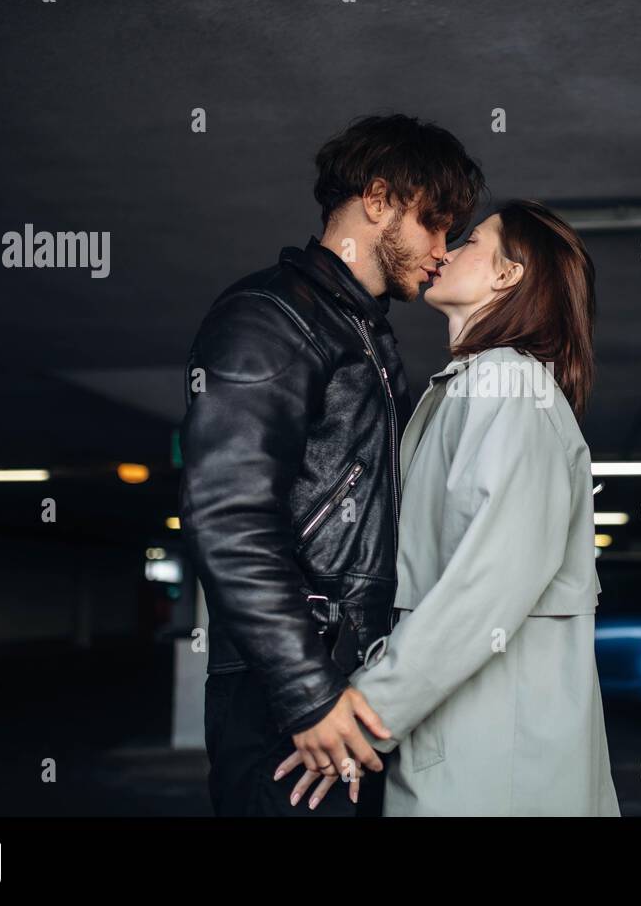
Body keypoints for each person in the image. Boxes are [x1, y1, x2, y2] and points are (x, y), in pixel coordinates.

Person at [179, 114, 485, 816]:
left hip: (350, 681)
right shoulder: (271, 317)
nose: (443, 250)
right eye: (434, 223)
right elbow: (227, 516)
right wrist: (307, 690)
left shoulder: (365, 336)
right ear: (378, 200)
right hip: (290, 690)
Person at [275, 201, 620, 816]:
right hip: (465, 746)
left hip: (493, 767)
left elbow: (489, 585)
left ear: (506, 276)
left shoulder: (509, 389)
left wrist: (363, 712)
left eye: (470, 242)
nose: (445, 251)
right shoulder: (469, 390)